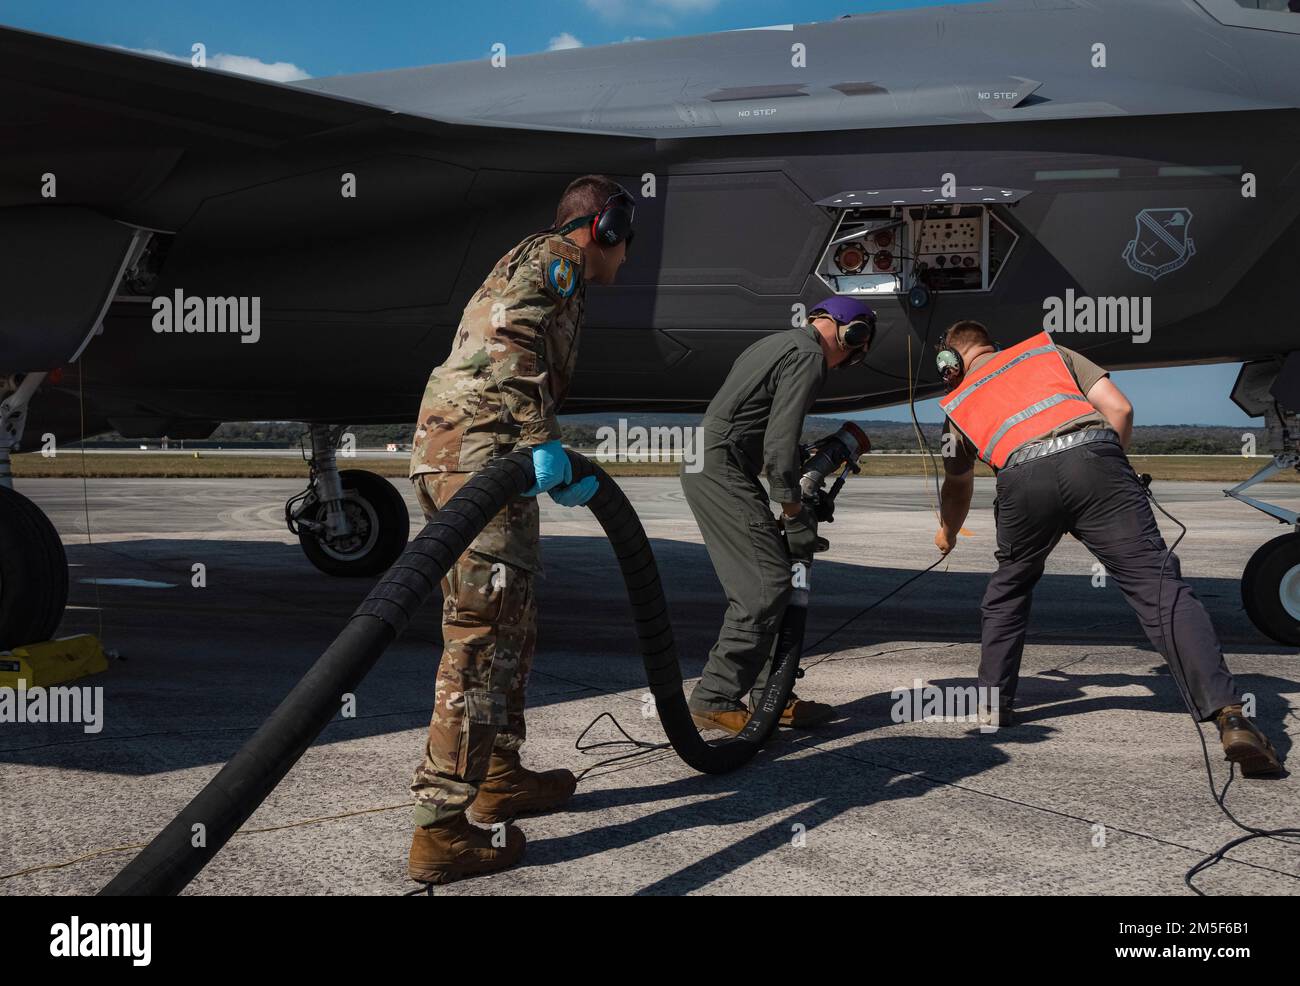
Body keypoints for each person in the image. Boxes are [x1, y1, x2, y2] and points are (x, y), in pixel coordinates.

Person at [405, 175, 636, 883]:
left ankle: (500, 776)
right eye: (626, 242)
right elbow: (510, 336)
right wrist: (542, 440)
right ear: (604, 227)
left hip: (477, 452)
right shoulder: (553, 261)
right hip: (478, 456)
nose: (626, 259)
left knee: (513, 623)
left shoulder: (544, 264)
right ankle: (441, 827)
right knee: (478, 635)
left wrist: (541, 448)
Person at [933, 320, 1281, 775]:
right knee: (1159, 589)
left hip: (1021, 479)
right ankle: (1231, 716)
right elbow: (1120, 408)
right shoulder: (1046, 353)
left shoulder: (959, 401)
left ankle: (995, 704)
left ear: (950, 362)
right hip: (1095, 460)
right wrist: (1106, 475)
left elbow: (958, 484)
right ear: (992, 344)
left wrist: (947, 532)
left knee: (1009, 590)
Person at [684, 297, 876, 733]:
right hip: (720, 467)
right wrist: (793, 512)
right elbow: (778, 440)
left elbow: (765, 430)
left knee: (780, 581)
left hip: (719, 463)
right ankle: (714, 696)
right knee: (767, 583)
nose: (846, 360)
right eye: (853, 351)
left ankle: (774, 693)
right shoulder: (809, 355)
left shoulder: (779, 343)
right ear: (853, 334)